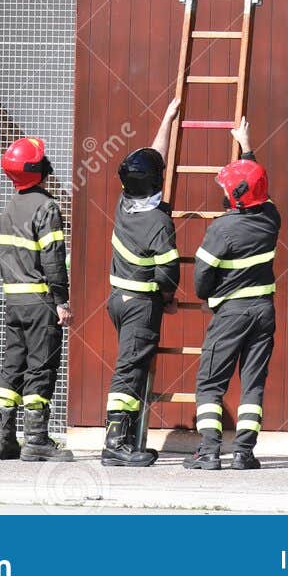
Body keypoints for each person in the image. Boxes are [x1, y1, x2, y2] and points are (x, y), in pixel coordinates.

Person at [184, 116, 280, 471]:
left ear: (234, 198)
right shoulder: (271, 218)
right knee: (253, 382)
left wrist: (210, 297)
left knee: (210, 383)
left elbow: (201, 281)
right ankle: (244, 453)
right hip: (264, 312)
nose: (223, 191)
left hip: (231, 314)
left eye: (227, 189)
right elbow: (256, 187)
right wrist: (247, 146)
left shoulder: (221, 230)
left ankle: (209, 452)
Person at [102, 97, 183, 467]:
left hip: (119, 299)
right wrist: (169, 296)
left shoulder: (125, 204)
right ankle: (115, 445)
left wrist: (166, 117)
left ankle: (129, 439)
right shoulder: (159, 224)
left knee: (132, 366)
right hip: (140, 306)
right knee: (129, 370)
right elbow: (168, 273)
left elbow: (152, 160)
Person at [0, 136, 72, 463]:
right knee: (41, 367)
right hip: (40, 302)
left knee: (14, 365)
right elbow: (53, 259)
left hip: (14, 303)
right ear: (37, 168)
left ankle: (3, 440)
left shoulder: (10, 207)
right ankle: (36, 440)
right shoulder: (46, 207)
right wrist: (62, 300)